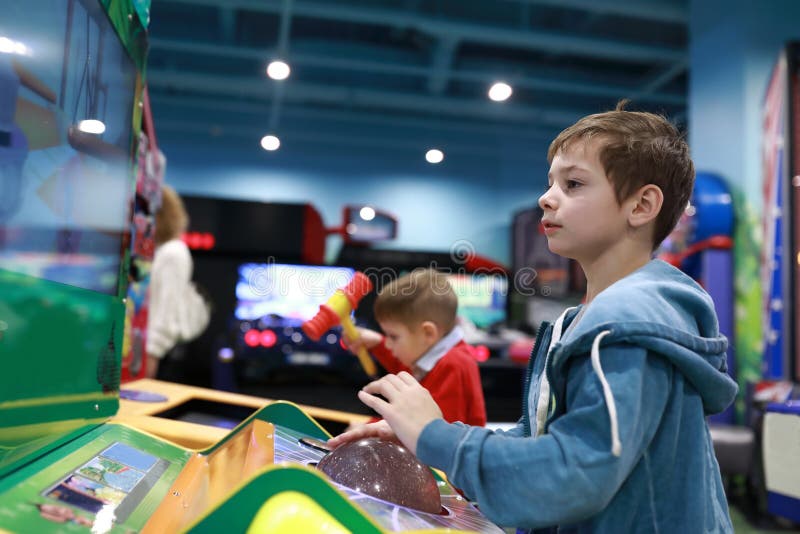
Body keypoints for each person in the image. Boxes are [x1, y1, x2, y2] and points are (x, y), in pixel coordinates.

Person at [328, 101, 738, 532]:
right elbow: (541, 440)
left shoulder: (626, 322)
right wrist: (426, 436)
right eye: (551, 183)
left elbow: (573, 474)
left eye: (574, 184)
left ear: (641, 206)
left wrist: (436, 435)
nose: (546, 197)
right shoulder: (583, 320)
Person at [345, 268, 486, 427]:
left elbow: (432, 431)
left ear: (428, 333)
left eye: (393, 336)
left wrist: (371, 426)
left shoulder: (453, 366)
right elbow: (406, 366)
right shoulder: (434, 355)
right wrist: (378, 343)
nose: (388, 344)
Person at [146, 184, 210, 379]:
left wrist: (152, 354)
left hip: (158, 356)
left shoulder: (173, 252)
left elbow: (167, 311)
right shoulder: (158, 251)